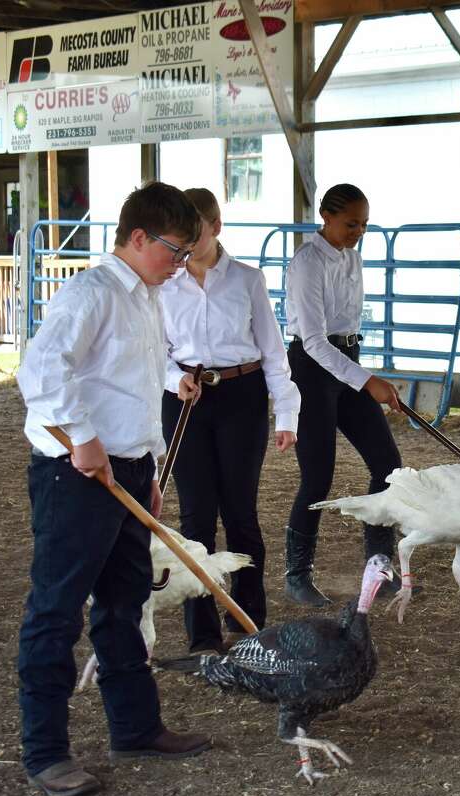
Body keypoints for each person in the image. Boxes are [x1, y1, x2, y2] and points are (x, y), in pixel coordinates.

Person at [16, 181, 212, 796]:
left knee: (125, 604)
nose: (180, 263)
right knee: (56, 610)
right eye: (175, 250)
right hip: (74, 474)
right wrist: (82, 437)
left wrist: (148, 469)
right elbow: (42, 370)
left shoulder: (147, 298)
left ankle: (135, 726)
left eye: (185, 253)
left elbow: (138, 385)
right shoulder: (92, 292)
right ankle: (46, 753)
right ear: (137, 237)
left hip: (125, 470)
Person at [160, 187, 300, 654]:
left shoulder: (247, 279)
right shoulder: (163, 283)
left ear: (215, 227)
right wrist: (170, 379)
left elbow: (273, 351)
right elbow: (154, 350)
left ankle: (246, 618)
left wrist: (287, 412)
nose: (182, 242)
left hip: (242, 396)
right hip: (184, 399)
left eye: (191, 231)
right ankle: (201, 631)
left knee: (240, 512)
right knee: (195, 516)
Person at [282, 183, 404, 607]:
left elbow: (345, 327)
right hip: (312, 368)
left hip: (346, 359)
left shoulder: (352, 257)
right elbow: (314, 341)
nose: (359, 232)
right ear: (326, 217)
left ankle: (379, 563)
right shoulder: (307, 263)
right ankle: (298, 574)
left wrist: (360, 374)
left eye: (365, 224)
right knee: (317, 477)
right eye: (351, 223)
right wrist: (367, 380)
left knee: (387, 463)